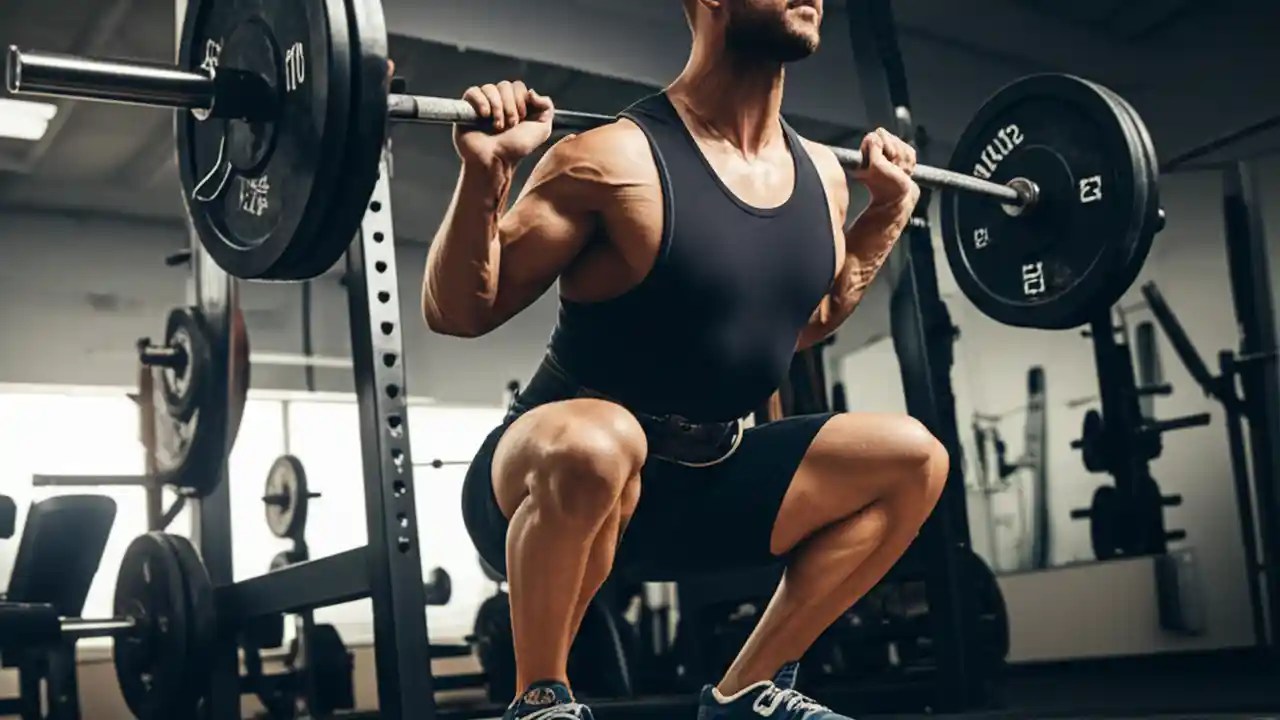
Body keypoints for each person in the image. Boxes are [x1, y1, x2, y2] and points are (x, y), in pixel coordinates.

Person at [421, 1, 948, 718]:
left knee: (914, 458)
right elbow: (457, 312)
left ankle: (746, 691)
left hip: (704, 485)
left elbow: (804, 321)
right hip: (553, 484)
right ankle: (539, 699)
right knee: (601, 442)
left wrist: (885, 213)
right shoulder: (612, 157)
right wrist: (485, 176)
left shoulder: (822, 174)